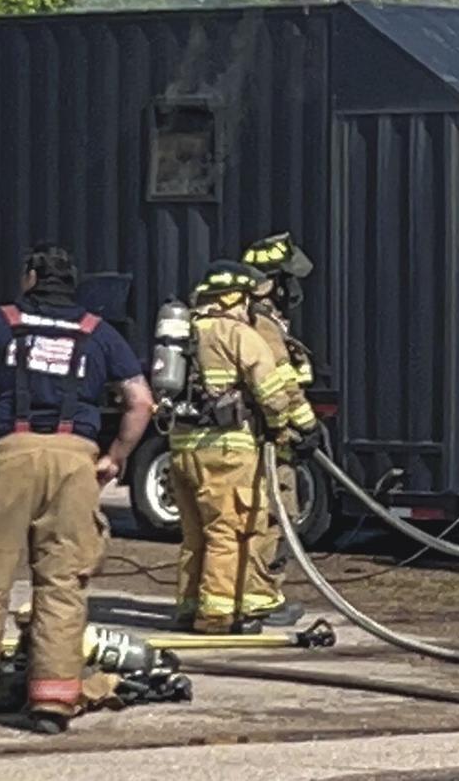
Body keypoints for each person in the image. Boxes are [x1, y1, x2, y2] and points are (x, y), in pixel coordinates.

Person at [0, 245, 154, 734]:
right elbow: (140, 400)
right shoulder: (98, 332)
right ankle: (52, 702)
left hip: (8, 454)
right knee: (62, 583)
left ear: (30, 278)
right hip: (74, 460)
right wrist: (116, 456)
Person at [169, 261, 323, 636]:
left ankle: (190, 607)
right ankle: (218, 616)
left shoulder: (184, 333)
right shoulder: (237, 333)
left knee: (195, 534)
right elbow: (271, 393)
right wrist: (287, 429)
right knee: (230, 530)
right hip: (228, 449)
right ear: (234, 297)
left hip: (182, 447)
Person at [234, 231, 317, 626]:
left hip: (264, 438)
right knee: (274, 518)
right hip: (270, 442)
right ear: (271, 282)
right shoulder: (263, 325)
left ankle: (253, 595)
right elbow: (280, 383)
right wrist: (307, 425)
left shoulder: (257, 320)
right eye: (289, 281)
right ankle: (261, 600)